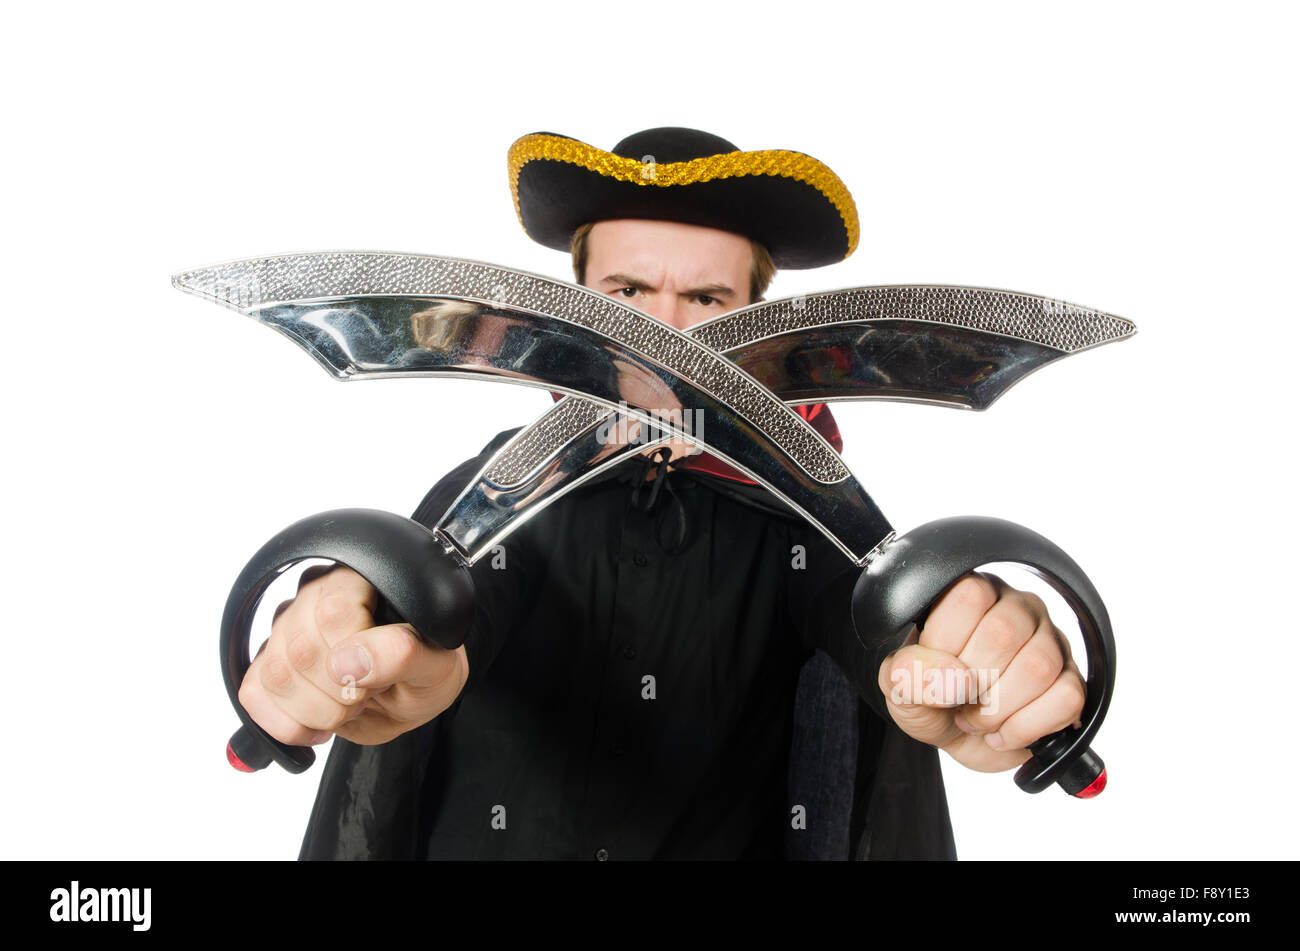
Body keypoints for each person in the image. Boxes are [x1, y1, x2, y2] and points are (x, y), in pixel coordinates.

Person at [240, 128, 1087, 860]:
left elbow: (878, 615)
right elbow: (433, 594)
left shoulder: (806, 507)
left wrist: (975, 651)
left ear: (761, 318)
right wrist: (343, 628)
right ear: (574, 308)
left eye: (709, 300)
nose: (663, 338)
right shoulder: (496, 490)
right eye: (628, 295)